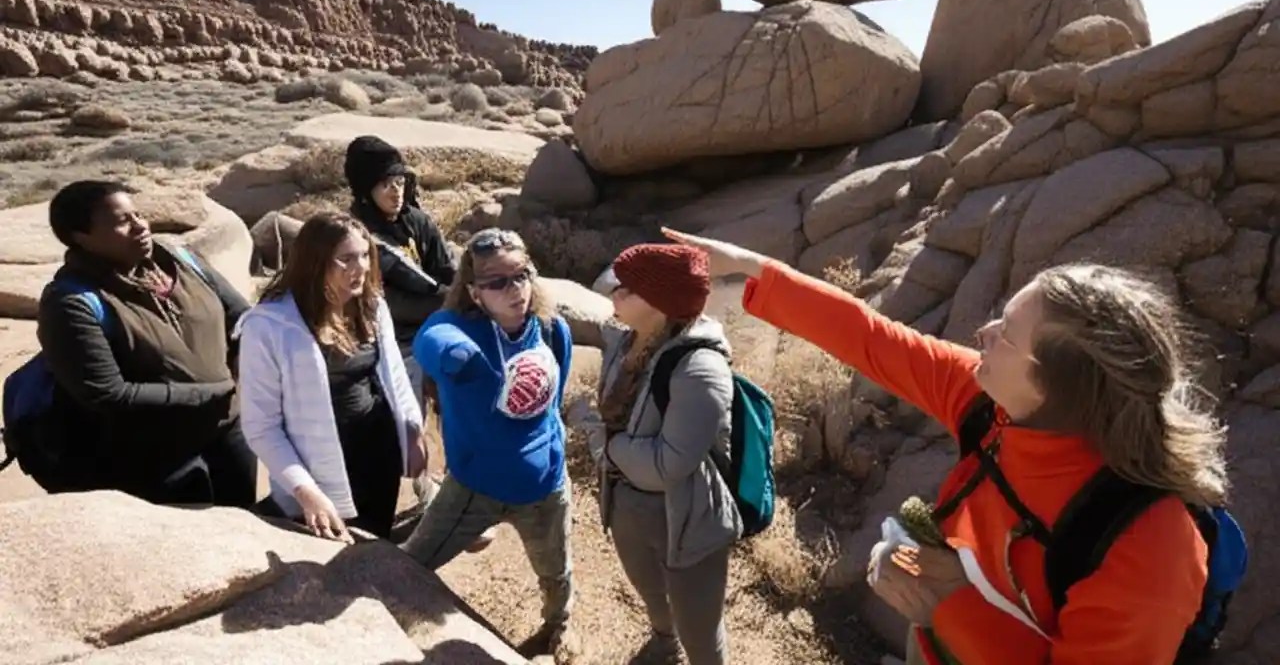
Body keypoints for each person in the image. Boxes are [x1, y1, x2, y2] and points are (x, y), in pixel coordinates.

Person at [662, 226, 1230, 664]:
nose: (982, 334)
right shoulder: (994, 405)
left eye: (1005, 334)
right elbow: (874, 340)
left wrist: (952, 604)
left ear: (1057, 388)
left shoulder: (1150, 546)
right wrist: (750, 268)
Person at [398, 228, 579, 663]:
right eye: (496, 281)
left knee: (556, 572)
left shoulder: (552, 331)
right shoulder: (458, 328)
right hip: (473, 491)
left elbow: (551, 401)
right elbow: (431, 340)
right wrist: (454, 352)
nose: (513, 289)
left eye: (521, 275)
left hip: (544, 488)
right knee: (409, 566)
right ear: (475, 293)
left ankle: (559, 628)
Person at [36, 180, 256, 506]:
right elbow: (108, 394)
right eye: (122, 221)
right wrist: (211, 392)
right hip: (154, 456)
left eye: (138, 214)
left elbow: (243, 319)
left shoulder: (181, 260)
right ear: (81, 238)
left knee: (245, 526)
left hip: (228, 430)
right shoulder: (72, 303)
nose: (140, 226)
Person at [577, 243, 741, 665]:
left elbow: (668, 465)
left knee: (698, 626)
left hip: (685, 518)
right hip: (625, 502)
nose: (614, 294)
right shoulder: (626, 338)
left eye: (626, 289)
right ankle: (664, 645)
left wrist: (607, 446)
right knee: (650, 591)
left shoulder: (701, 369)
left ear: (660, 303)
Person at [236, 212, 427, 541]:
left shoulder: (372, 307)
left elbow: (394, 377)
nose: (361, 267)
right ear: (314, 262)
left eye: (365, 255)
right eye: (346, 259)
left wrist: (411, 430)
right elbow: (261, 426)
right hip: (318, 470)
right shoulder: (268, 326)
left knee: (370, 554)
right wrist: (305, 491)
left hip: (378, 455)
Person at [345, 135, 456, 398]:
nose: (397, 192)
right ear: (366, 192)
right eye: (386, 185)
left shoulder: (416, 221)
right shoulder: (359, 234)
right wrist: (454, 299)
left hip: (431, 312)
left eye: (400, 182)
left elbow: (444, 269)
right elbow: (395, 293)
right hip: (386, 329)